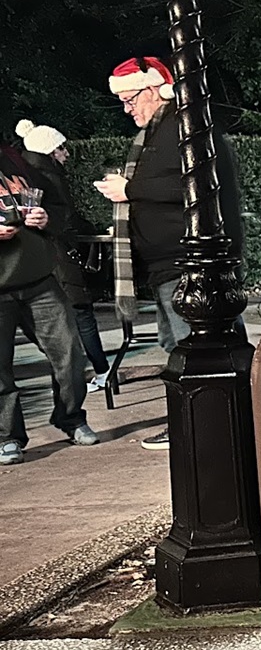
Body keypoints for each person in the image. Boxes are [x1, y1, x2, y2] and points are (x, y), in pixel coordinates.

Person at [94, 55, 245, 451]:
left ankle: (206, 430)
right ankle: (200, 423)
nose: (127, 110)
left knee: (198, 351)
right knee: (181, 348)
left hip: (189, 264)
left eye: (130, 100)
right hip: (172, 264)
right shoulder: (162, 131)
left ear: (155, 89)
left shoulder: (183, 126)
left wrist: (130, 190)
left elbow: (197, 185)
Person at [0, 149, 99, 464]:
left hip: (40, 280)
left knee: (70, 351)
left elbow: (58, 207)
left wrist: (47, 219)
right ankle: (7, 437)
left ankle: (71, 418)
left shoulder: (16, 159)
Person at [16, 120, 111, 391]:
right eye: (61, 148)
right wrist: (91, 230)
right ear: (50, 151)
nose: (66, 153)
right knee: (81, 313)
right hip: (59, 257)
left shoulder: (24, 173)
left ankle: (82, 374)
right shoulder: (49, 176)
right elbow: (66, 219)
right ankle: (99, 371)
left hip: (39, 259)